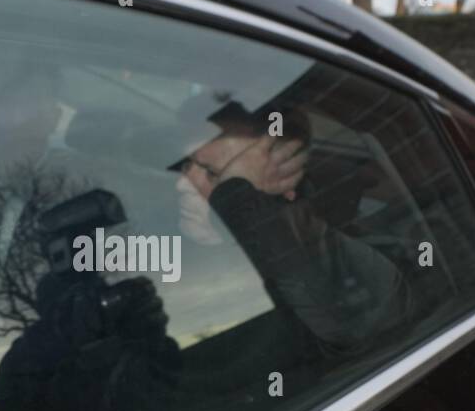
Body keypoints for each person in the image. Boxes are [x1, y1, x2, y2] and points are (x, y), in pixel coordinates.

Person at [171, 105, 411, 363]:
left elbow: (347, 337)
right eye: (186, 164)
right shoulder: (154, 244)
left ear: (283, 186)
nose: (180, 184)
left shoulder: (337, 263)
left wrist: (238, 201)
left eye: (213, 173)